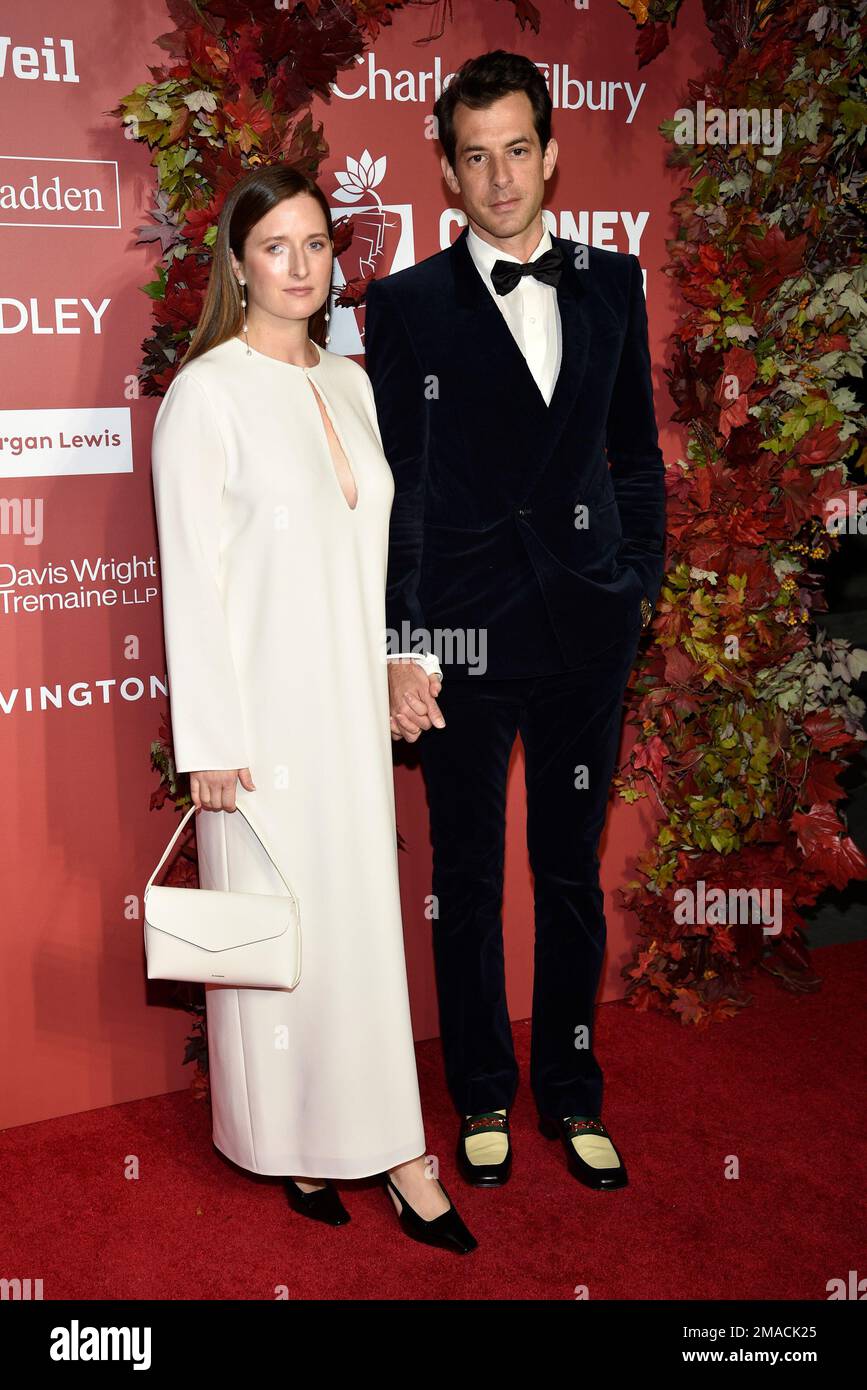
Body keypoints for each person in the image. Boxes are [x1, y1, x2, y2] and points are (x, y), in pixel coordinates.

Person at [150, 163, 476, 1255]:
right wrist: (211, 741)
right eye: (276, 247)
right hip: (258, 722)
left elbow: (376, 557)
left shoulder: (350, 381)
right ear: (239, 267)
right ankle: (299, 1142)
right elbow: (189, 574)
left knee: (359, 937)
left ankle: (386, 1143)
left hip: (344, 711)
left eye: (317, 245)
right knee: (281, 945)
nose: (301, 266)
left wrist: (394, 658)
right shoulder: (207, 393)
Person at [364, 50, 666, 1193]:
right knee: (470, 882)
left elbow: (635, 457)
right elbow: (405, 489)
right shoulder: (403, 307)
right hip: (465, 646)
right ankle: (482, 1091)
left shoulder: (611, 281)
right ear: (446, 171)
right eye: (475, 157)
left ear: (552, 152)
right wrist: (404, 639)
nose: (500, 178)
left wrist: (635, 584)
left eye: (518, 151)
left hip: (588, 633)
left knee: (573, 877)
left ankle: (574, 1091)